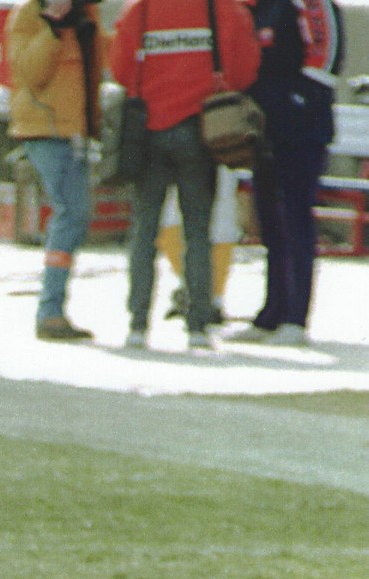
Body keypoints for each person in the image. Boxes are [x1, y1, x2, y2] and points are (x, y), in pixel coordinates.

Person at [109, 0, 260, 349]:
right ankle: (198, 326)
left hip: (148, 132)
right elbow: (245, 70)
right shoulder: (223, 8)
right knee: (198, 233)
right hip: (199, 130)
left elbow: (119, 68)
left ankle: (137, 324)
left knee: (143, 231)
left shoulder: (139, 8)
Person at [234, 0, 345, 346]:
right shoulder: (258, 6)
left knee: (295, 218)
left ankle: (296, 316)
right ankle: (273, 312)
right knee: (269, 221)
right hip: (265, 127)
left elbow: (327, 51)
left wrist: (298, 99)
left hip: (302, 128)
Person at [5, 0, 107, 340]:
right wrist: (53, 26)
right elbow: (29, 73)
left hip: (74, 131)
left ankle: (52, 309)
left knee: (74, 215)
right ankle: (50, 312)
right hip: (45, 130)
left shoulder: (87, 15)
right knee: (71, 214)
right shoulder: (29, 15)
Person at [157, 165, 241, 325]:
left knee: (221, 219)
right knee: (166, 219)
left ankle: (214, 300)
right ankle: (192, 290)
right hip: (174, 156)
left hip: (219, 157)